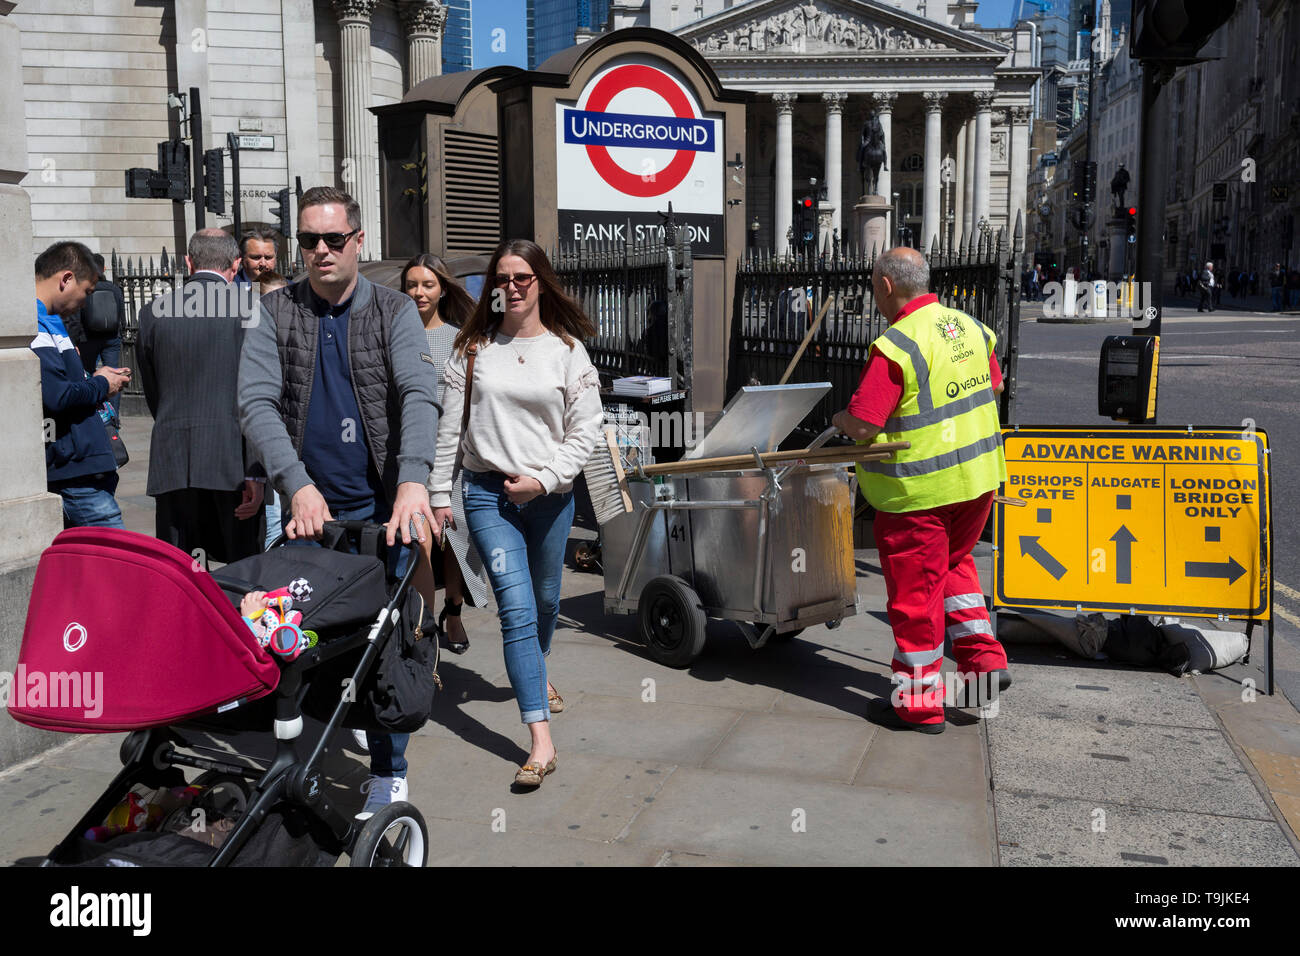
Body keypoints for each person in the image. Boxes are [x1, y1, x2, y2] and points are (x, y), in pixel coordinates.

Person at [238, 185, 438, 819]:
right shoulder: (276, 312)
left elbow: (417, 392)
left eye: (332, 239)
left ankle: (389, 771)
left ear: (358, 241)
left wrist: (413, 480)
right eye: (307, 240)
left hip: (382, 511)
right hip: (309, 515)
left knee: (388, 648)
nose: (319, 251)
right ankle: (301, 759)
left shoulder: (393, 311)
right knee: (299, 642)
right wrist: (294, 484)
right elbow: (257, 403)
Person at [424, 239, 603, 786]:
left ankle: (536, 670)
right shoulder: (472, 348)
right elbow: (450, 430)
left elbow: (587, 430)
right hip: (486, 496)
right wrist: (436, 494)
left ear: (542, 282)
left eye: (522, 276)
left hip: (550, 500)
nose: (511, 287)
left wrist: (545, 480)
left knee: (548, 599)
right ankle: (540, 739)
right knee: (517, 612)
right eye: (501, 278)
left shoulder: (567, 350)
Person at [831, 246, 1009, 734]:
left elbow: (865, 425)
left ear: (886, 286)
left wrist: (839, 419)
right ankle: (984, 666)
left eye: (873, 287)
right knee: (953, 567)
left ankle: (918, 706)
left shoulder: (898, 343)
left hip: (920, 495)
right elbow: (992, 387)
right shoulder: (970, 327)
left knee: (914, 600)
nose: (874, 296)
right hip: (976, 483)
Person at [136, 229, 265, 563]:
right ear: (236, 265)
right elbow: (259, 395)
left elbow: (153, 389)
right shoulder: (250, 309)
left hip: (172, 457)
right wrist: (255, 471)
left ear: (188, 262)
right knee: (243, 570)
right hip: (231, 459)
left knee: (180, 568)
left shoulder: (154, 311)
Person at [400, 252, 488, 654]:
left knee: (454, 536)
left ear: (442, 289)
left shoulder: (459, 339)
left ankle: (453, 612)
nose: (419, 292)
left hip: (452, 452)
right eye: (412, 284)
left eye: (427, 284)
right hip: (407, 450)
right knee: (419, 537)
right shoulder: (393, 331)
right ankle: (423, 622)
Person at [32, 241, 132, 528]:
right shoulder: (36, 323)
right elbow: (57, 395)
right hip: (73, 471)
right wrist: (102, 384)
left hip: (82, 466)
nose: (86, 302)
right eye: (87, 291)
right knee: (117, 560)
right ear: (66, 279)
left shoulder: (50, 320)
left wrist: (96, 377)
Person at [73, 254, 126, 416]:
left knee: (87, 375)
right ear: (104, 269)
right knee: (115, 376)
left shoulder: (86, 288)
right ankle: (114, 417)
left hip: (88, 339)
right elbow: (121, 315)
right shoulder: (114, 289)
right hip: (111, 338)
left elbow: (77, 315)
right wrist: (120, 334)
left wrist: (75, 339)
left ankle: (92, 413)